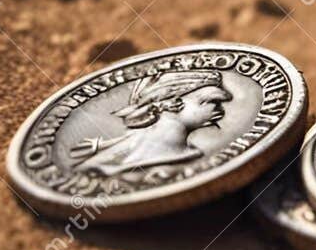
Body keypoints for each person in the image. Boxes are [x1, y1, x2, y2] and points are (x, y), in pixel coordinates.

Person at [71, 69, 233, 175]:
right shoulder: (98, 167)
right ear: (174, 103)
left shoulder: (191, 153)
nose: (222, 111)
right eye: (212, 101)